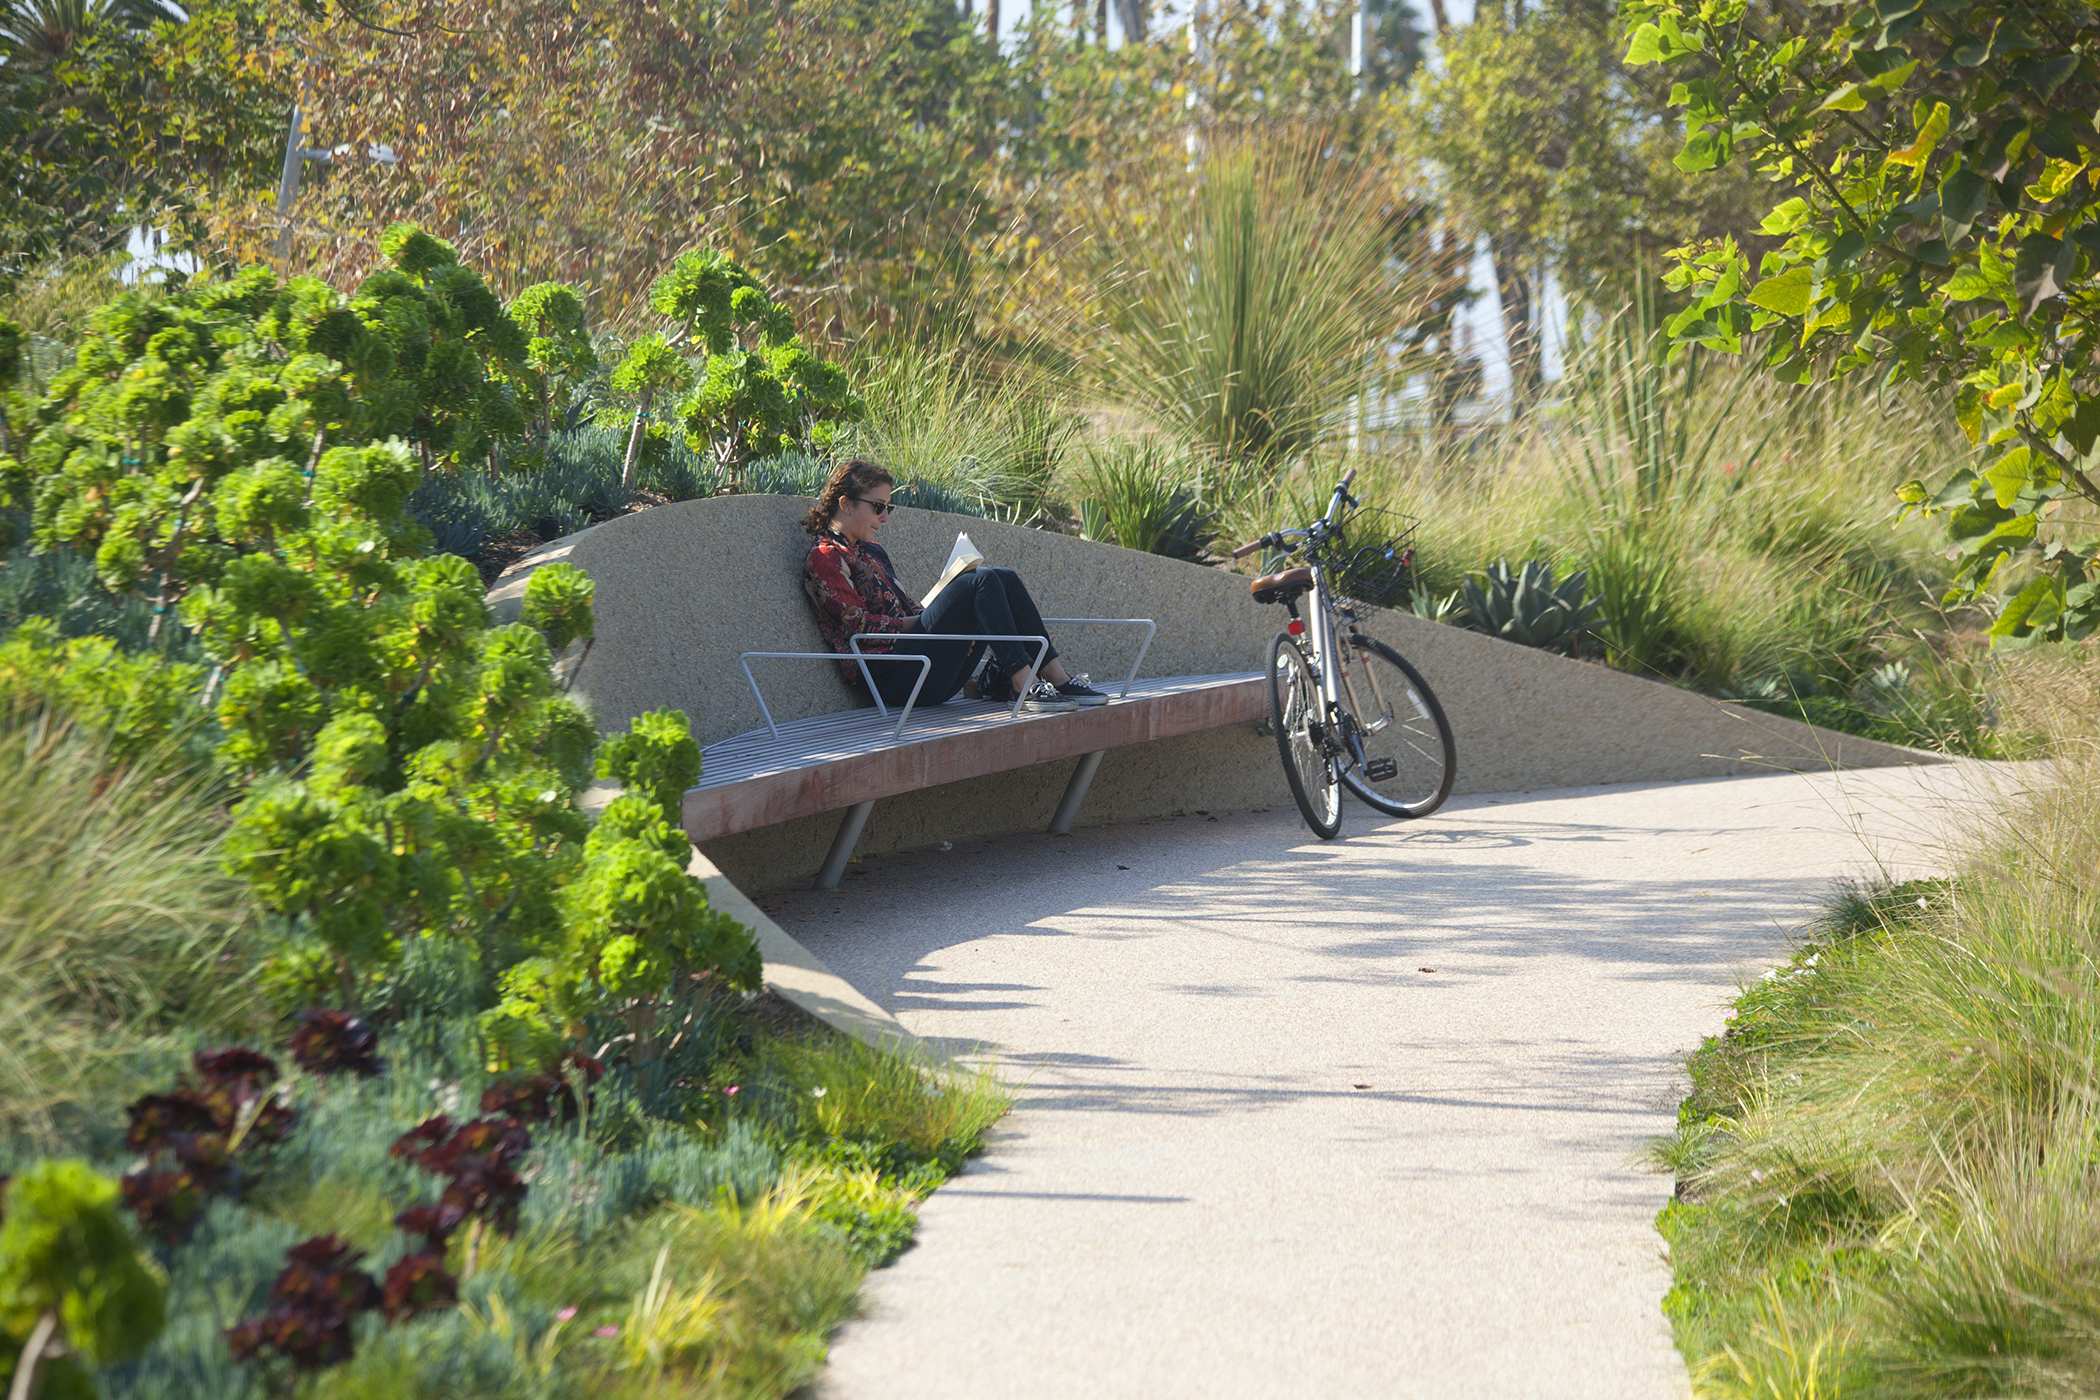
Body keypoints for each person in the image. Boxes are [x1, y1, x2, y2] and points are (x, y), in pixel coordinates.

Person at [800, 459, 1107, 713]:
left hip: (925, 670)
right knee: (981, 580)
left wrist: (951, 624)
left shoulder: (872, 551)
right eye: (878, 507)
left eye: (888, 509)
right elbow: (857, 628)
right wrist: (923, 623)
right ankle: (1023, 684)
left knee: (1003, 576)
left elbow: (906, 606)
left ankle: (1055, 675)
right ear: (846, 504)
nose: (885, 518)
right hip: (892, 680)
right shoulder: (825, 558)